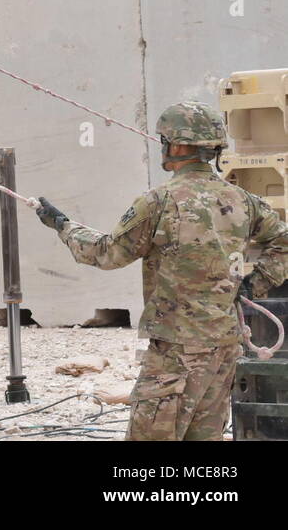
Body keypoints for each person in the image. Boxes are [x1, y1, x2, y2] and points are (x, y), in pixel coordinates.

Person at [35, 101, 288, 441]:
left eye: (165, 140)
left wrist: (62, 225)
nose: (163, 148)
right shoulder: (243, 199)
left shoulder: (159, 201)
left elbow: (107, 253)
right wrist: (253, 285)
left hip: (175, 353)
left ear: (180, 146)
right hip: (224, 348)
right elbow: (283, 242)